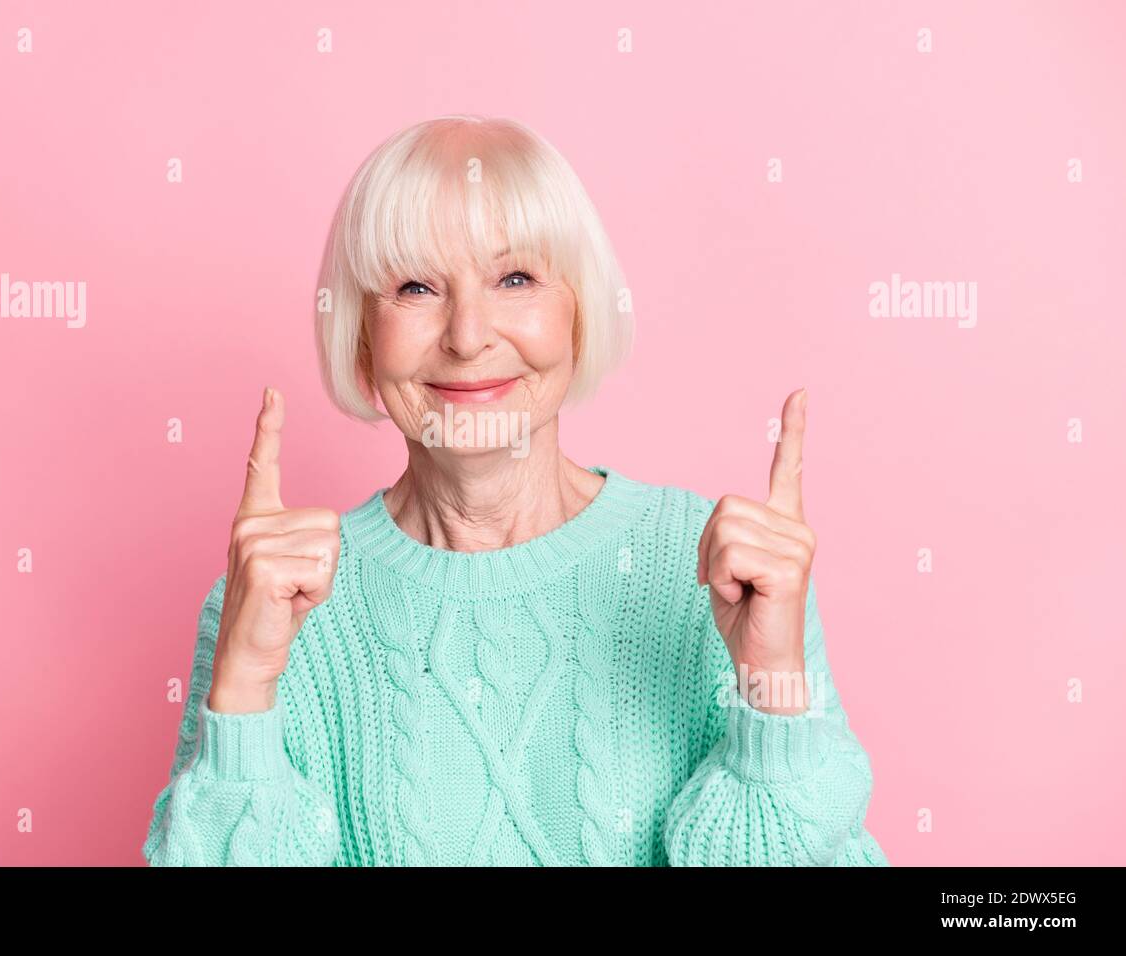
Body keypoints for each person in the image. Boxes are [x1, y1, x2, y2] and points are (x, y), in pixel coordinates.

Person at [141, 114, 890, 866]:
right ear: (363, 336)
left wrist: (772, 696)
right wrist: (243, 692)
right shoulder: (272, 603)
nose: (468, 335)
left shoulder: (724, 576)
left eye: (516, 278)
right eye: (415, 286)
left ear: (579, 314)